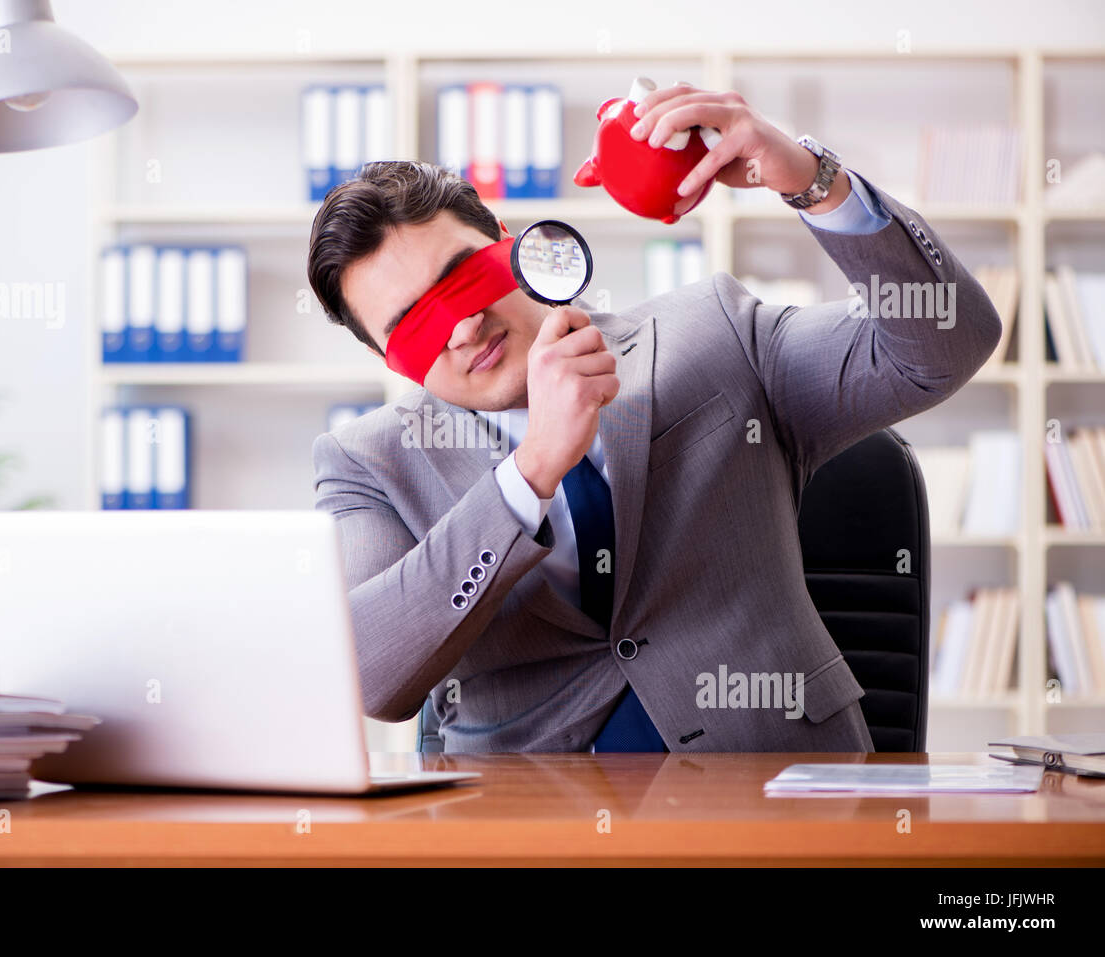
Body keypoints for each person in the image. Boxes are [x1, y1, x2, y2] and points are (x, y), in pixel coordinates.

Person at [306, 82, 1001, 752]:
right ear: (384, 356)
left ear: (511, 243)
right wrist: (530, 473)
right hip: (530, 822)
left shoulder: (716, 334)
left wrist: (813, 181)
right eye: (413, 326)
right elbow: (374, 676)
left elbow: (948, 343)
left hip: (771, 796)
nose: (461, 328)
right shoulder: (368, 462)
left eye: (461, 277)